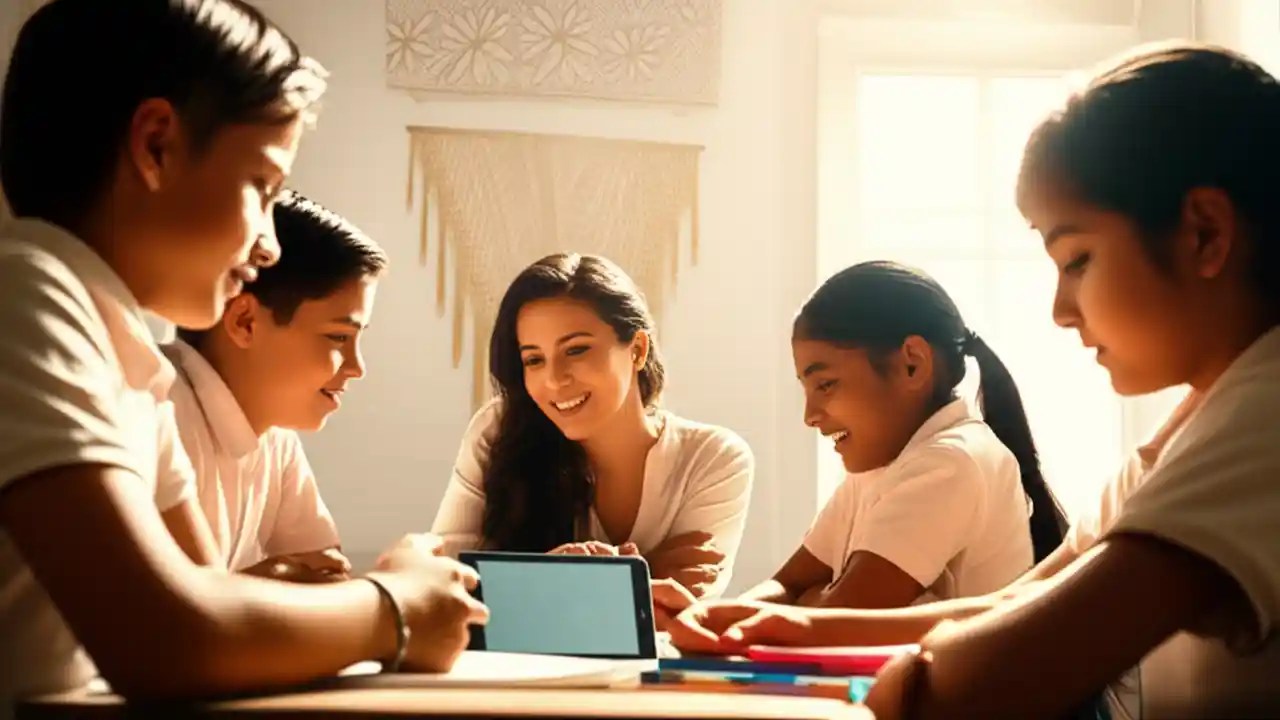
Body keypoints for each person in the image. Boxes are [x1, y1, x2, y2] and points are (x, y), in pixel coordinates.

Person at [669, 43, 1280, 719]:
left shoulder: (1265, 411)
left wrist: (904, 677)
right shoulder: (1203, 423)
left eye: (1077, 259)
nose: (1060, 310)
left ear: (1203, 234)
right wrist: (796, 631)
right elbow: (1012, 605)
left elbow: (999, 674)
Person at [0, 1, 484, 712]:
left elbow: (213, 600)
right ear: (156, 146)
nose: (269, 245)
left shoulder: (136, 369)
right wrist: (393, 606)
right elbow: (168, 639)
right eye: (262, 186)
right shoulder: (27, 291)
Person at [659, 262, 1064, 619]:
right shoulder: (879, 470)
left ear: (912, 363)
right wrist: (701, 614)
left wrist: (811, 601)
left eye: (826, 384)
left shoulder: (951, 462)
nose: (810, 416)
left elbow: (830, 625)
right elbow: (787, 588)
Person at [430, 253, 753, 599]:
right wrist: (644, 571)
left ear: (638, 349)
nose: (554, 380)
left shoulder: (714, 460)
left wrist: (529, 586)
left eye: (576, 350)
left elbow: (681, 605)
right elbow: (441, 587)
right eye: (534, 359)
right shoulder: (498, 430)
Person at [164, 190, 387, 582]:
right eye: (337, 338)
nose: (357, 368)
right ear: (245, 322)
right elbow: (166, 614)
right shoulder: (157, 409)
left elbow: (324, 573)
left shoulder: (274, 436)